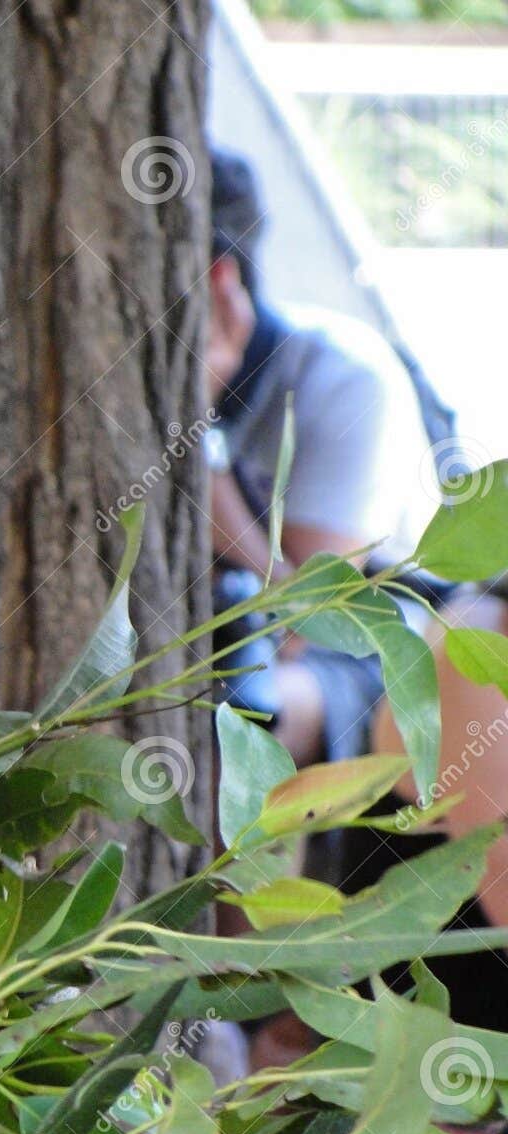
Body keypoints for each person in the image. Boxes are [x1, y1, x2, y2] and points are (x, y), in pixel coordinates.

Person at [205, 147, 439, 768]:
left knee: (234, 721)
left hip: (369, 666)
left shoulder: (344, 378)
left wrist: (195, 435)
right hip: (218, 634)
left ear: (217, 281)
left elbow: (302, 620)